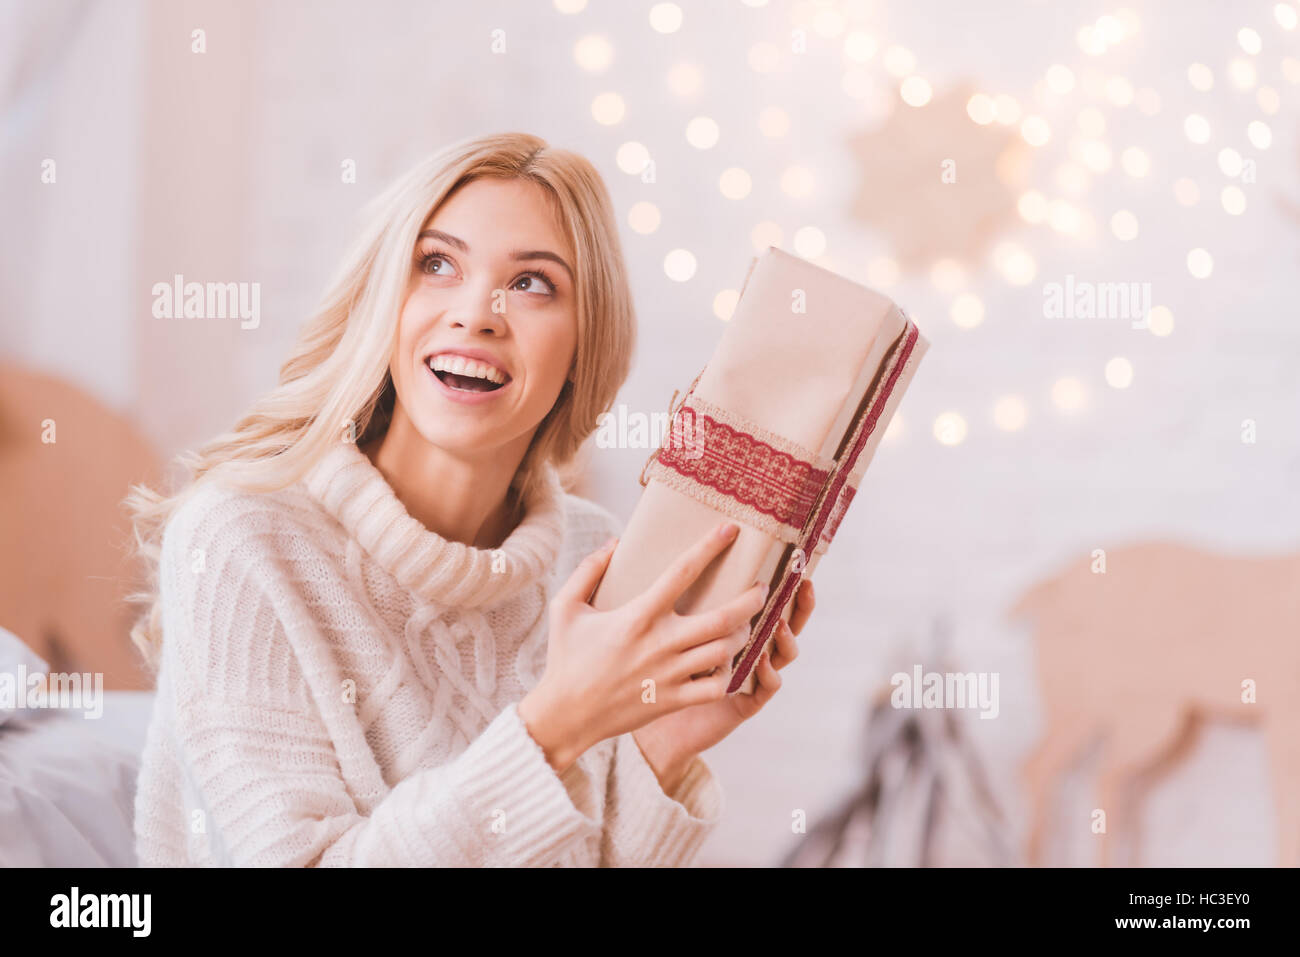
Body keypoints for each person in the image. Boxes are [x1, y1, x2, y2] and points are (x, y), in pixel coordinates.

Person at [126, 132, 814, 867]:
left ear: (585, 346)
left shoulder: (592, 557)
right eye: (437, 264)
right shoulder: (240, 541)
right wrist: (555, 725)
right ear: (383, 300)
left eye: (532, 283)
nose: (478, 313)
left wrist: (661, 745)